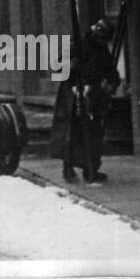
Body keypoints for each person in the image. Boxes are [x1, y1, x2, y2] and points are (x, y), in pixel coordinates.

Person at [50, 20, 121, 184]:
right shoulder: (78, 45)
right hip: (73, 90)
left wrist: (112, 85)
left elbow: (110, 71)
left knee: (94, 132)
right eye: (101, 38)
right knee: (72, 131)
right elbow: (57, 66)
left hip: (94, 94)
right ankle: (68, 168)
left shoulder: (102, 49)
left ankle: (91, 169)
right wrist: (70, 65)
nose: (102, 42)